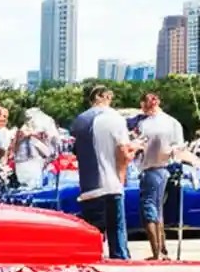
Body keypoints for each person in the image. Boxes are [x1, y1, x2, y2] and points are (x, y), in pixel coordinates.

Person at [71, 85, 132, 260]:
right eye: (109, 96)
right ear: (101, 96)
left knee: (93, 238)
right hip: (110, 185)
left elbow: (77, 150)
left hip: (88, 188)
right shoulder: (115, 118)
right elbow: (122, 151)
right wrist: (122, 175)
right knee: (117, 236)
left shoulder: (80, 121)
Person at [134, 92, 186, 260]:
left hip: (149, 170)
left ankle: (156, 252)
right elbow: (179, 147)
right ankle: (162, 249)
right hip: (164, 169)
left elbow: (137, 146)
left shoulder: (143, 123)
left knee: (149, 210)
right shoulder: (172, 122)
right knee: (158, 210)